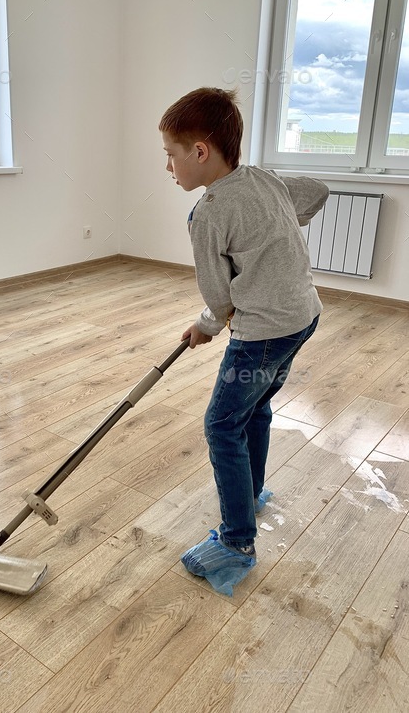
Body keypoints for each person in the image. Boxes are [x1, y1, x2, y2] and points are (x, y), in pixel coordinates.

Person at [159, 87, 329, 596]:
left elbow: (219, 295)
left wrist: (209, 323)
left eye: (171, 155)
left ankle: (237, 541)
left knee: (221, 425)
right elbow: (316, 191)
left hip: (261, 337)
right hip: (304, 318)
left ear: (201, 151)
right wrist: (275, 228)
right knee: (253, 411)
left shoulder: (207, 214)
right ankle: (250, 492)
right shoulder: (263, 179)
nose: (168, 167)